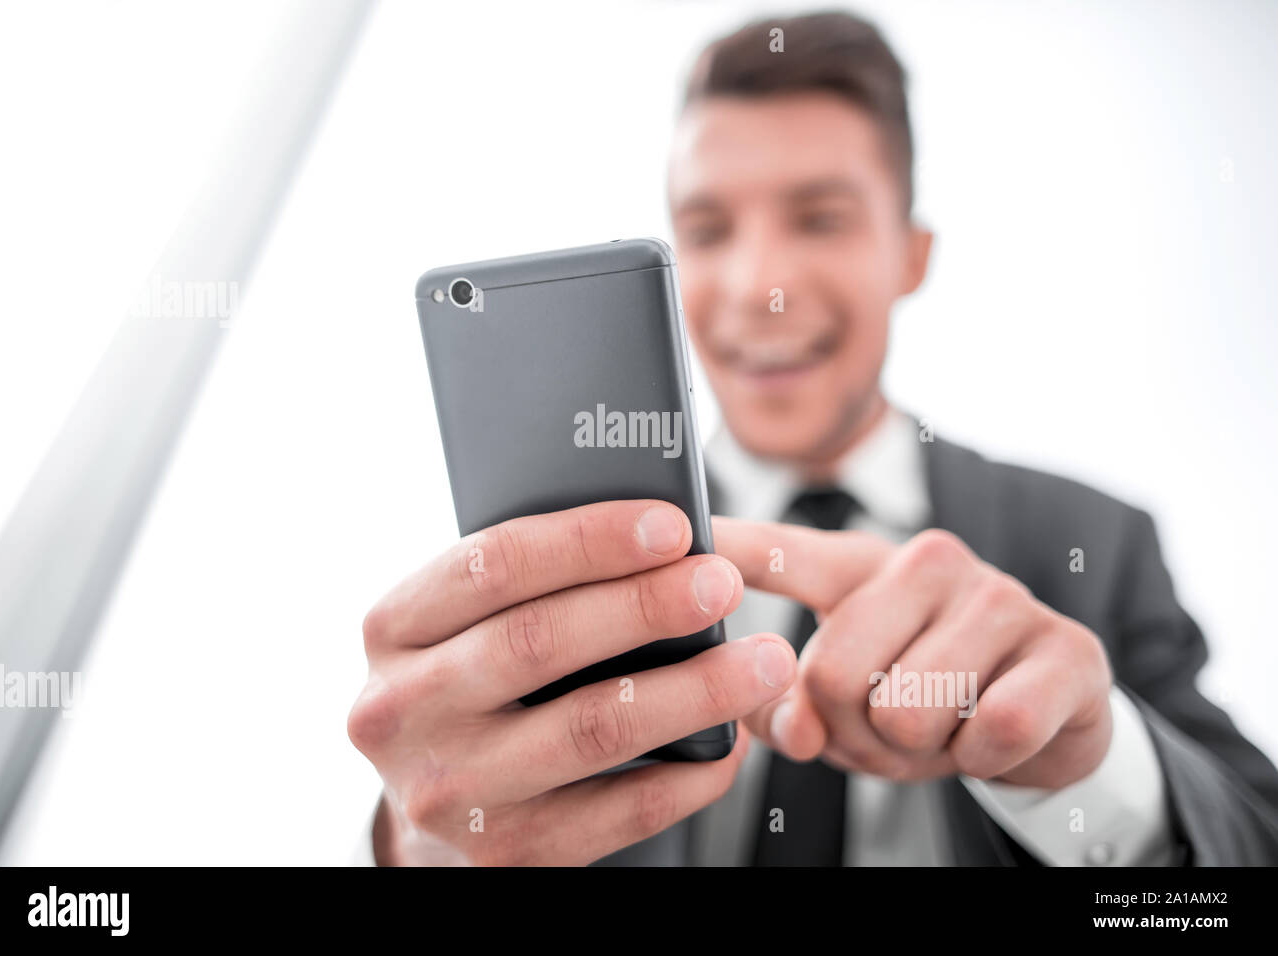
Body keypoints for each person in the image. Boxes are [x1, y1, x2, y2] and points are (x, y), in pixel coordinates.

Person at [347, 10, 1278, 865]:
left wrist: (1096, 771)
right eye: (708, 229)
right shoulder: (549, 565)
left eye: (820, 219)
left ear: (910, 254)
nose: (760, 285)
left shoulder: (1095, 540)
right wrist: (420, 847)